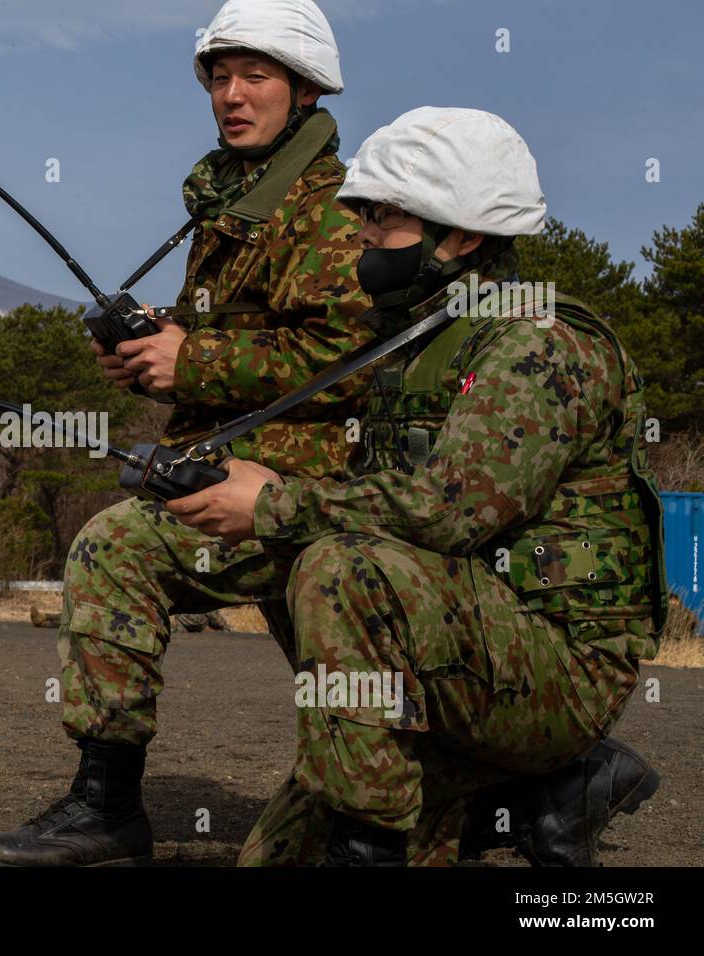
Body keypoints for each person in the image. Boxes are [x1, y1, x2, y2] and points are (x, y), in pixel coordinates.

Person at [164, 107, 667, 866]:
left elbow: (448, 514)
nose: (363, 234)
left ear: (462, 237)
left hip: (556, 674)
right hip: (450, 662)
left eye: (386, 218)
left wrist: (271, 505)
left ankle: (434, 819)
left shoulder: (536, 343)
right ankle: (531, 797)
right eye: (364, 214)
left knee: (340, 564)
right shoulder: (420, 344)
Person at [0, 0, 374, 867]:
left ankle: (108, 809)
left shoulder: (334, 206)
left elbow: (351, 353)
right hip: (226, 461)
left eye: (254, 76)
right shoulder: (231, 203)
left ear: (303, 92)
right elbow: (232, 337)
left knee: (116, 547)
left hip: (305, 478)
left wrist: (193, 361)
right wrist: (153, 348)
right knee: (352, 681)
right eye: (218, 76)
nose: (231, 94)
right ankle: (107, 801)